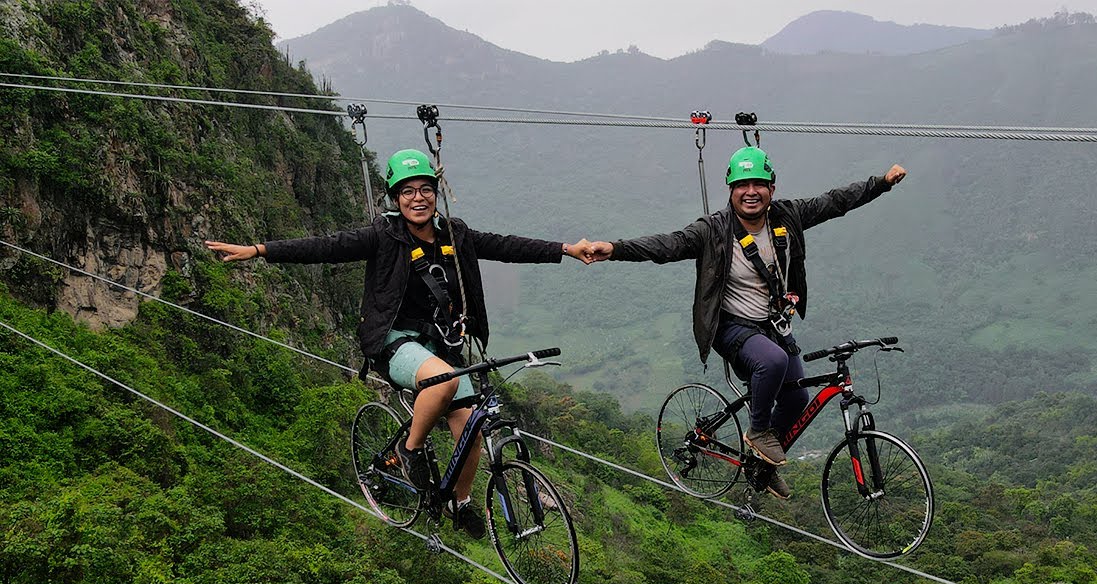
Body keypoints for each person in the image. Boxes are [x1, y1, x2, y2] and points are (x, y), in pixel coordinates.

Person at [206, 148, 594, 537]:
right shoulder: (383, 236)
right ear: (395, 199)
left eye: (425, 189)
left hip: (442, 343)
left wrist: (565, 249)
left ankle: (460, 504)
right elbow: (325, 247)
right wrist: (259, 250)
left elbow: (507, 246)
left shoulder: (454, 234)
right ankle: (407, 452)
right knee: (442, 380)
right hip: (395, 340)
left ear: (436, 194)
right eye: (407, 191)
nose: (418, 198)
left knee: (471, 427)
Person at [586, 146, 906, 499]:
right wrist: (615, 249)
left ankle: (761, 467)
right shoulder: (712, 230)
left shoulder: (787, 217)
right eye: (742, 184)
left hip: (772, 324)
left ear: (772, 187)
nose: (750, 191)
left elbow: (833, 202)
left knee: (797, 398)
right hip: (730, 325)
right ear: (730, 189)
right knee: (772, 361)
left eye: (758, 183)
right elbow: (667, 246)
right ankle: (757, 432)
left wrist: (882, 182)